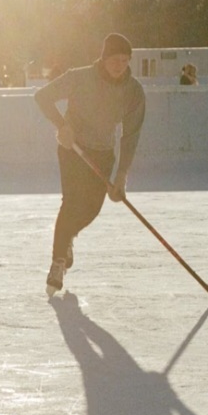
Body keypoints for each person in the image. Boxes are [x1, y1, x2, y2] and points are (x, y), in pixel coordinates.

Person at [34, 33, 146, 296]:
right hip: (73, 150)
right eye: (115, 59)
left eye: (125, 60)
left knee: (92, 209)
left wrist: (122, 175)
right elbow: (42, 96)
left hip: (103, 153)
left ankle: (67, 239)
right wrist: (62, 126)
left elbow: (131, 135)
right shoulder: (79, 77)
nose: (120, 65)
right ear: (104, 58)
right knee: (72, 202)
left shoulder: (133, 91)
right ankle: (58, 262)